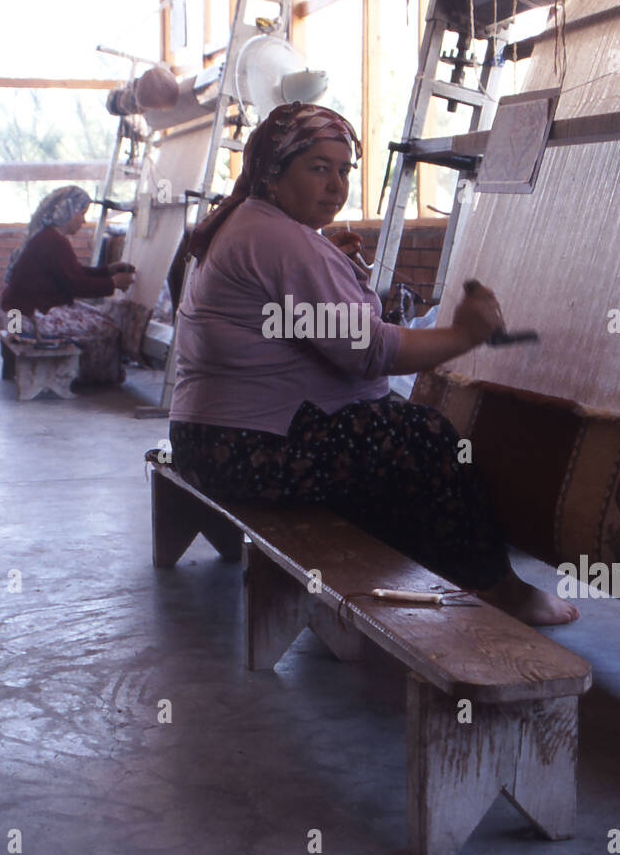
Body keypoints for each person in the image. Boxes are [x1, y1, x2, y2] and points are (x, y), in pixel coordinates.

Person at [168, 103, 577, 626]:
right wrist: (464, 335)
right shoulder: (279, 240)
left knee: (386, 427)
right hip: (250, 450)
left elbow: (320, 325)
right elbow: (370, 353)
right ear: (273, 170)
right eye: (318, 167)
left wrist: (332, 263)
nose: (336, 185)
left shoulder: (247, 224)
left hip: (208, 443)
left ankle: (397, 583)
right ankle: (495, 586)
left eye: (344, 171)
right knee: (425, 437)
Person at [1, 185, 135, 387]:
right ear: (68, 211)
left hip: (16, 313)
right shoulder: (54, 241)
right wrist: (113, 283)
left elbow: (72, 273)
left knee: (99, 317)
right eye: (81, 214)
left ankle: (74, 373)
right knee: (107, 327)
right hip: (27, 318)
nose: (83, 220)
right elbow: (75, 284)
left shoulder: (47, 236)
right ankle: (88, 379)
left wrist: (108, 270)